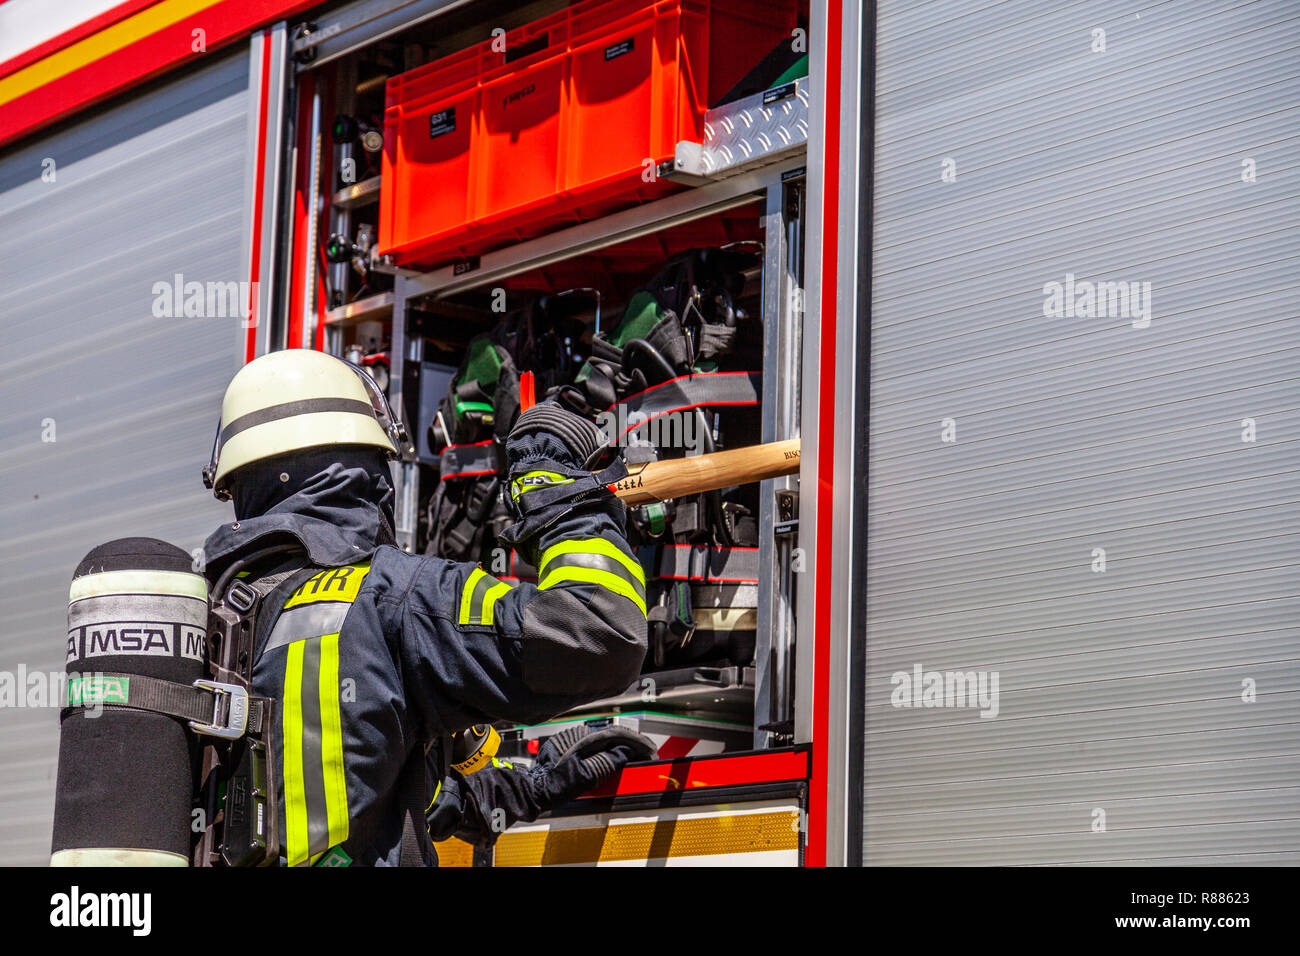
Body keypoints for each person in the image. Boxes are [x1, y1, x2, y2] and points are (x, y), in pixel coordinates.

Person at [198, 348, 650, 866]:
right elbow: (601, 631)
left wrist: (499, 797)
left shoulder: (202, 627)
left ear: (235, 484)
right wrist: (557, 495)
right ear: (368, 466)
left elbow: (342, 785)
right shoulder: (395, 597)